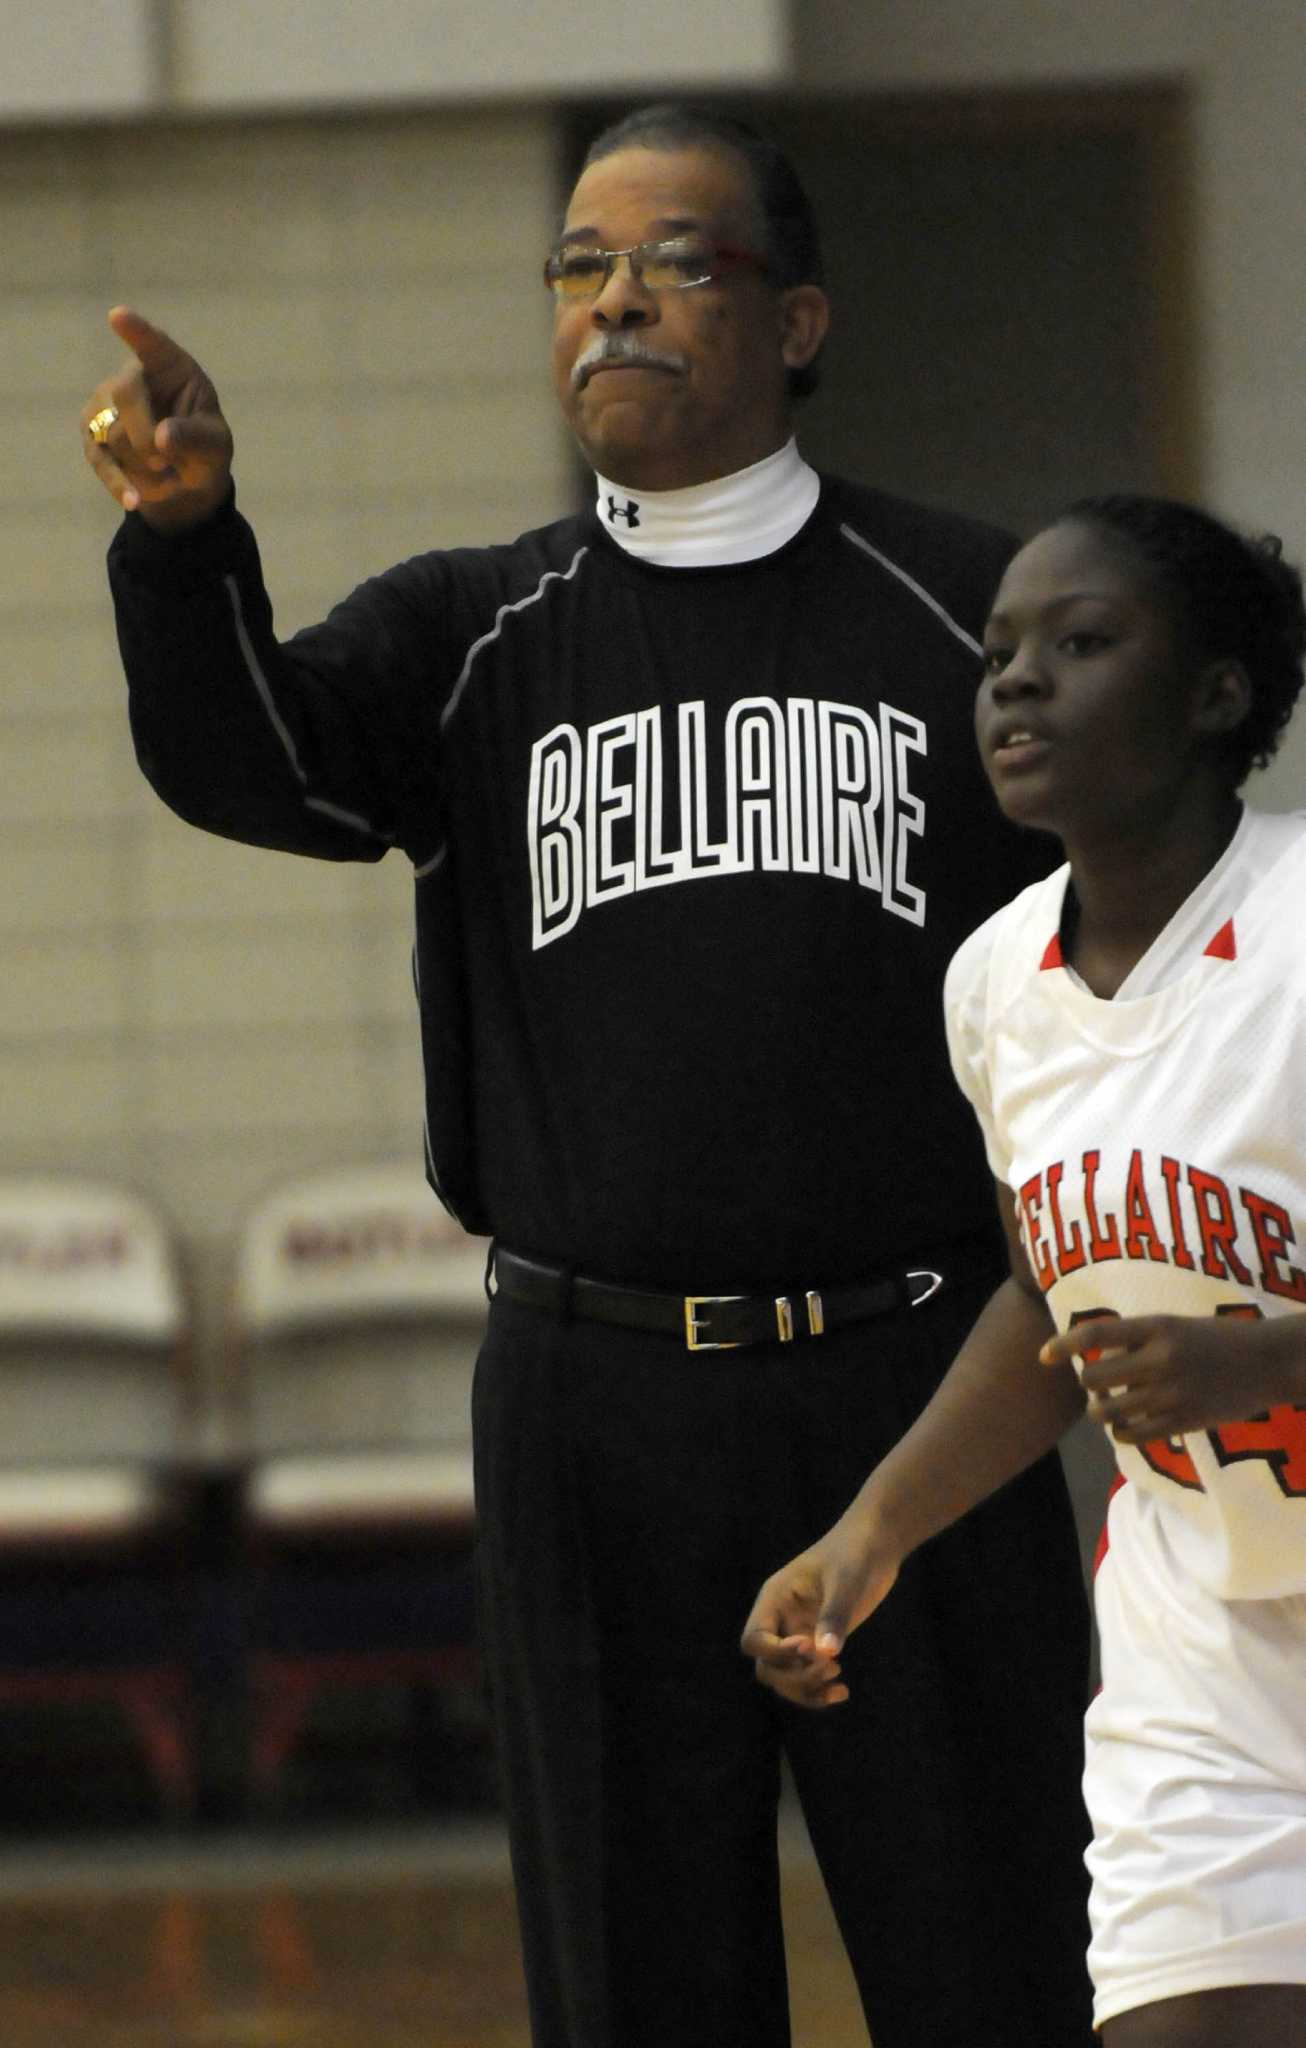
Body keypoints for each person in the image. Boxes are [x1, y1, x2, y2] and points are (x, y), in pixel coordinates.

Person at [81, 104, 1095, 2048]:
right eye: (577, 264)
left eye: (676, 260)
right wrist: (187, 538)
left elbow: (1126, 946)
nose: (615, 297)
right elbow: (256, 764)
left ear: (794, 319)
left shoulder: (969, 617)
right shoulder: (475, 632)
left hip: (910, 1385)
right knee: (638, 1983)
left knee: (991, 1962)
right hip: (588, 1400)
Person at [743, 494, 1306, 2047]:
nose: (1014, 682)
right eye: (997, 651)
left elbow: (1219, 1347)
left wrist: (1262, 1364)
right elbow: (1035, 1301)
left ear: (1215, 694)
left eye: (1078, 642)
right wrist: (869, 1535)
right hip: (1204, 1640)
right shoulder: (995, 981)